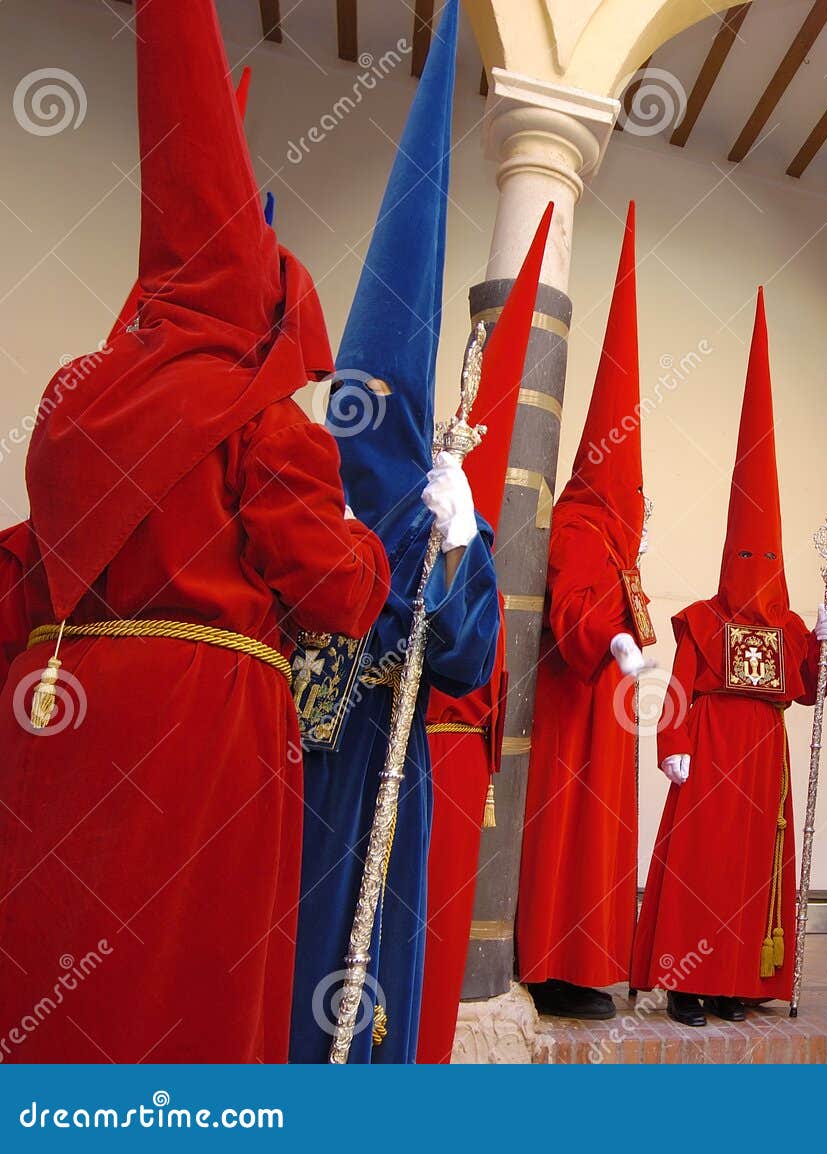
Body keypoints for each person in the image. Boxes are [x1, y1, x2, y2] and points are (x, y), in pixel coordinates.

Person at [0, 0, 389, 1063]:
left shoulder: (79, 396)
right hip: (198, 734)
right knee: (180, 990)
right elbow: (339, 594)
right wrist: (366, 539)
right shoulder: (259, 416)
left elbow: (21, 574)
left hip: (57, 707)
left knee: (54, 970)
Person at [289, 0, 500, 1065]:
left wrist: (457, 549)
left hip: (385, 758)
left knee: (363, 979)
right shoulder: (295, 482)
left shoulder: (445, 507)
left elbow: (465, 658)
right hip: (283, 766)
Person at [631, 290, 827, 1026]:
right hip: (716, 750)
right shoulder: (702, 618)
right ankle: (689, 982)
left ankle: (739, 983)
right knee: (705, 870)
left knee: (755, 873)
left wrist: (826, 640)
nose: (755, 564)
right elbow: (680, 689)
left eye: (765, 554)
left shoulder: (786, 623)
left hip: (765, 754)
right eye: (744, 553)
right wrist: (673, 746)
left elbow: (812, 691)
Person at [416, 204, 556, 1063]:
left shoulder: (486, 544)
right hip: (400, 739)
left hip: (459, 742)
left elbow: (479, 655)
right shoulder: (420, 512)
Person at [517, 204, 654, 1022]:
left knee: (598, 839)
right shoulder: (577, 521)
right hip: (572, 710)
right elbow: (569, 607)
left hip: (605, 712)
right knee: (566, 832)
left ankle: (591, 958)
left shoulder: (614, 532)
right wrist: (609, 634)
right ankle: (552, 962)